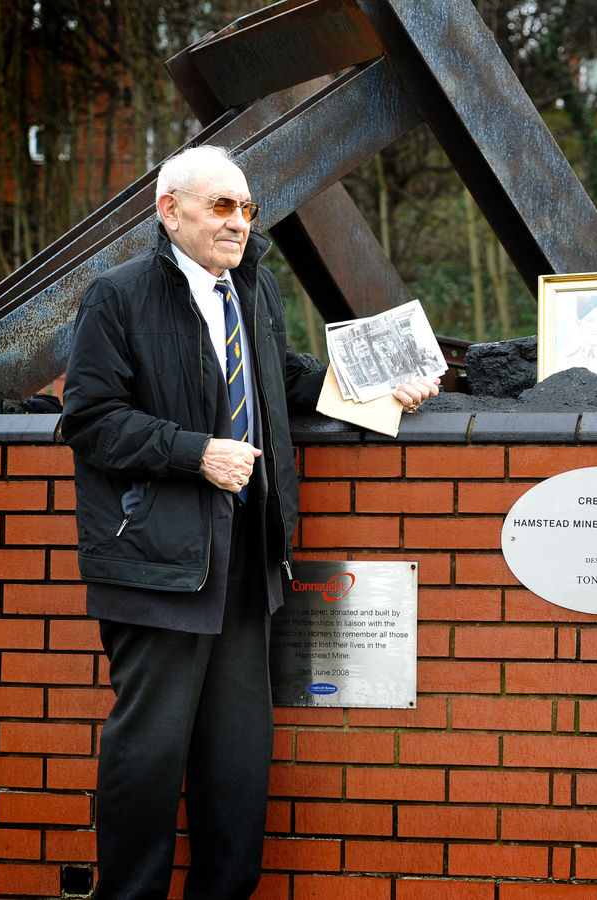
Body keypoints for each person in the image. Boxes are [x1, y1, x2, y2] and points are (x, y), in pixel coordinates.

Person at [60, 144, 438, 899]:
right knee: (151, 752)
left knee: (237, 760)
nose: (240, 223)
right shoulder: (118, 295)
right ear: (170, 212)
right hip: (158, 565)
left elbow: (282, 375)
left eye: (247, 208)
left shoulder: (253, 293)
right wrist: (193, 452)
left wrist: (380, 391)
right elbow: (90, 419)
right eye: (221, 207)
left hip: (249, 557)